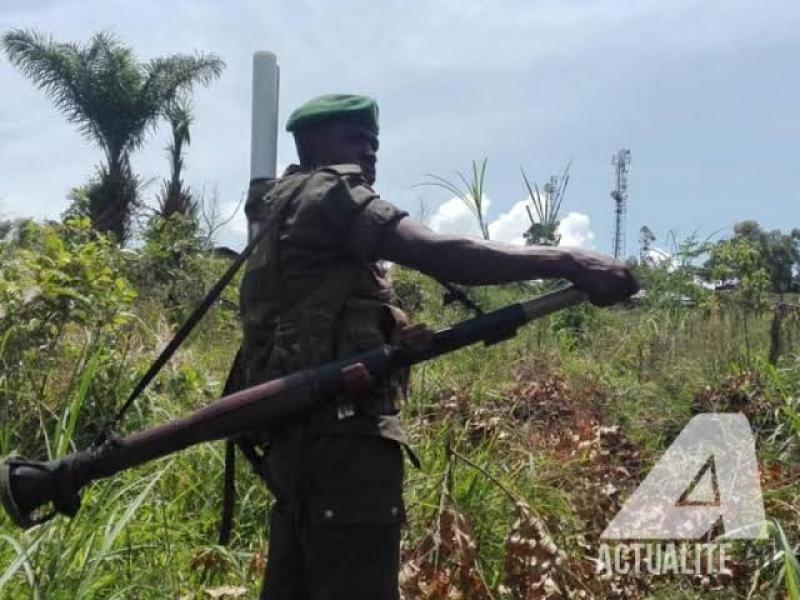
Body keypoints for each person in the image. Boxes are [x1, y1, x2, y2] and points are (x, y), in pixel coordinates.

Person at [240, 94, 639, 600]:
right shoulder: (330, 193)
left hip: (293, 440)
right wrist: (570, 261)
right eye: (355, 138)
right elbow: (436, 252)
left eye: (374, 142)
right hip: (344, 442)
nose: (369, 151)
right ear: (313, 143)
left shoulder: (276, 209)